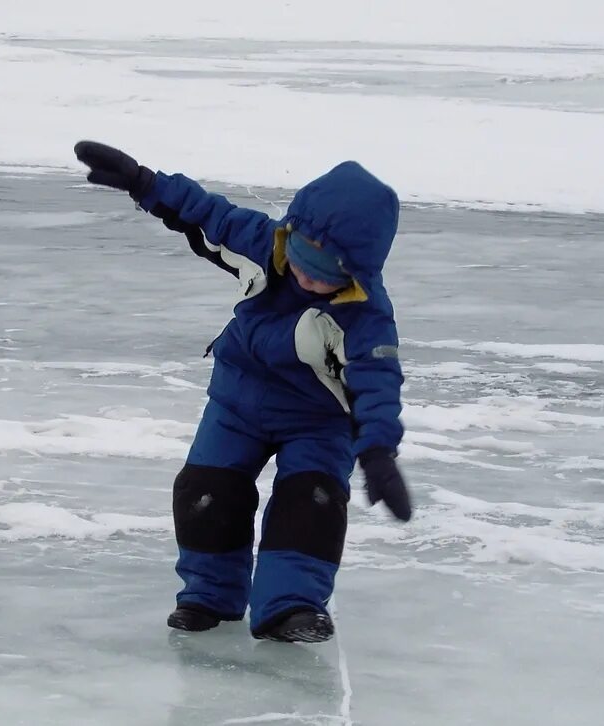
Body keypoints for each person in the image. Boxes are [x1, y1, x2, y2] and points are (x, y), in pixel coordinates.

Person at [75, 141, 412, 643]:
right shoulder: (267, 242)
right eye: (299, 257)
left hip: (317, 420)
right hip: (239, 400)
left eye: (323, 274)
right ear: (290, 233)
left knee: (311, 501)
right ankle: (208, 596)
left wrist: (379, 451)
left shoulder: (366, 316)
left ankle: (290, 606)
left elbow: (378, 384)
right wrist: (144, 183)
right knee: (206, 492)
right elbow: (208, 214)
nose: (304, 275)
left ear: (354, 272)